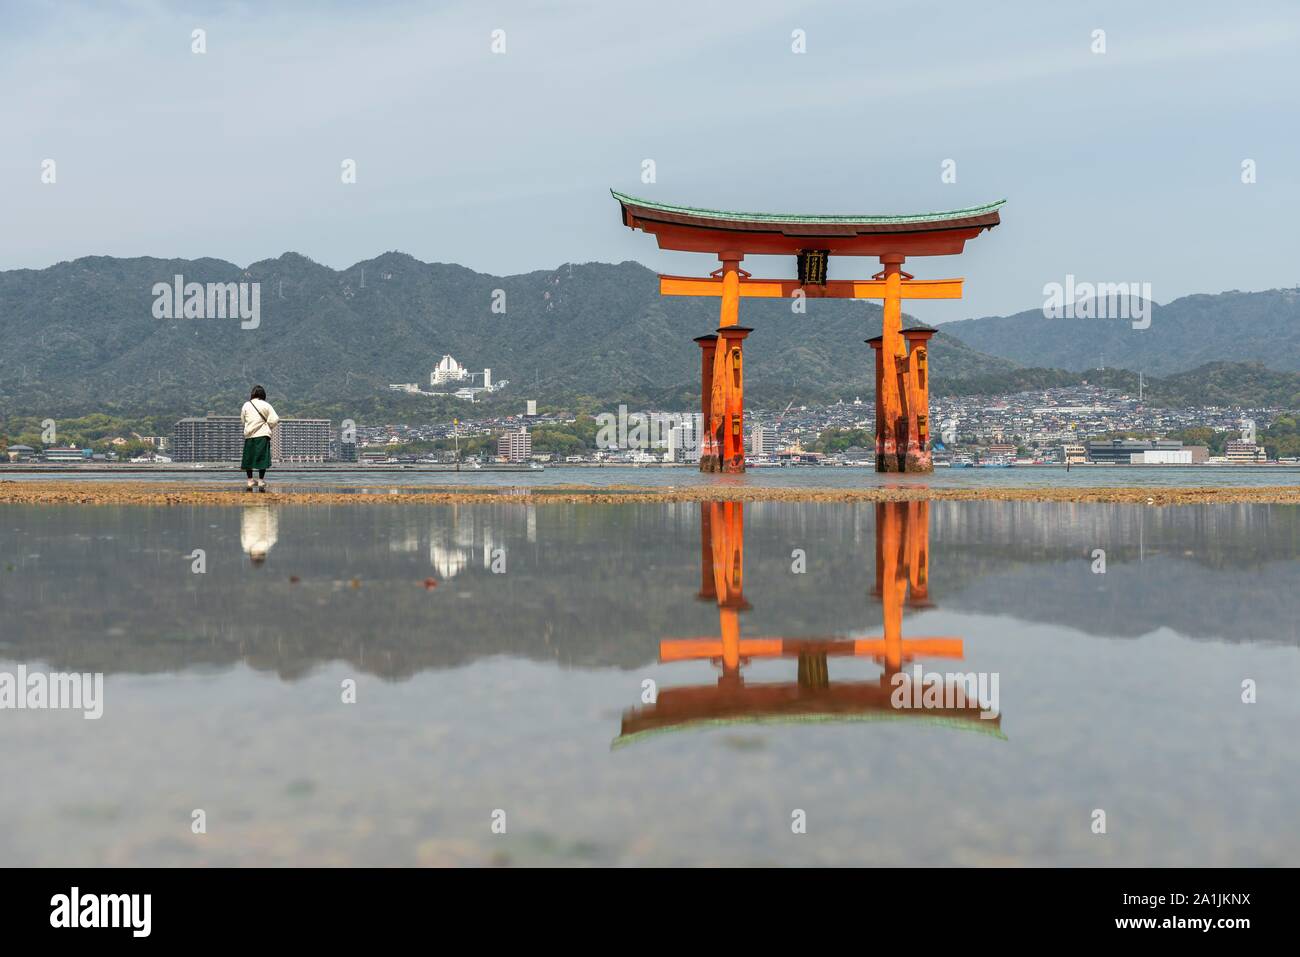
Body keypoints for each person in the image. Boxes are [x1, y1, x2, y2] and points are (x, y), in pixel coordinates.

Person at [240, 385, 279, 492]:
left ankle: (250, 480)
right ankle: (261, 480)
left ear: (252, 394)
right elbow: (275, 419)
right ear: (263, 395)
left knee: (249, 458)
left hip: (249, 434)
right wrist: (268, 425)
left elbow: (243, 420)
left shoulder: (246, 405)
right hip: (262, 434)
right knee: (262, 458)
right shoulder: (266, 405)